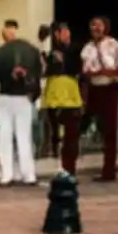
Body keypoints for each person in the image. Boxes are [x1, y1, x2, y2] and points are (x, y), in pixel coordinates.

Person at [0, 20, 42, 186]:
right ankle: (28, 173)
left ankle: (7, 174)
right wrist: (35, 94)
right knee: (24, 136)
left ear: (4, 32)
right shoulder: (31, 50)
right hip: (24, 96)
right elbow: (38, 72)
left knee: (5, 135)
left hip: (5, 96)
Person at [80, 16, 118, 181]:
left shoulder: (115, 45)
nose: (96, 28)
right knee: (83, 122)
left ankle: (109, 170)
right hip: (93, 88)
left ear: (106, 27)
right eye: (93, 25)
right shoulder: (87, 48)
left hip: (110, 88)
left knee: (110, 129)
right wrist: (99, 72)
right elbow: (85, 70)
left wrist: (108, 72)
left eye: (99, 25)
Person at [41, 22, 83, 175]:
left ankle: (68, 164)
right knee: (55, 129)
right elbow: (44, 67)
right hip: (54, 91)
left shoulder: (75, 49)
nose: (65, 34)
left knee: (70, 131)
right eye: (61, 32)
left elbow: (79, 67)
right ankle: (56, 157)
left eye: (67, 31)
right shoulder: (49, 50)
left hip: (70, 91)